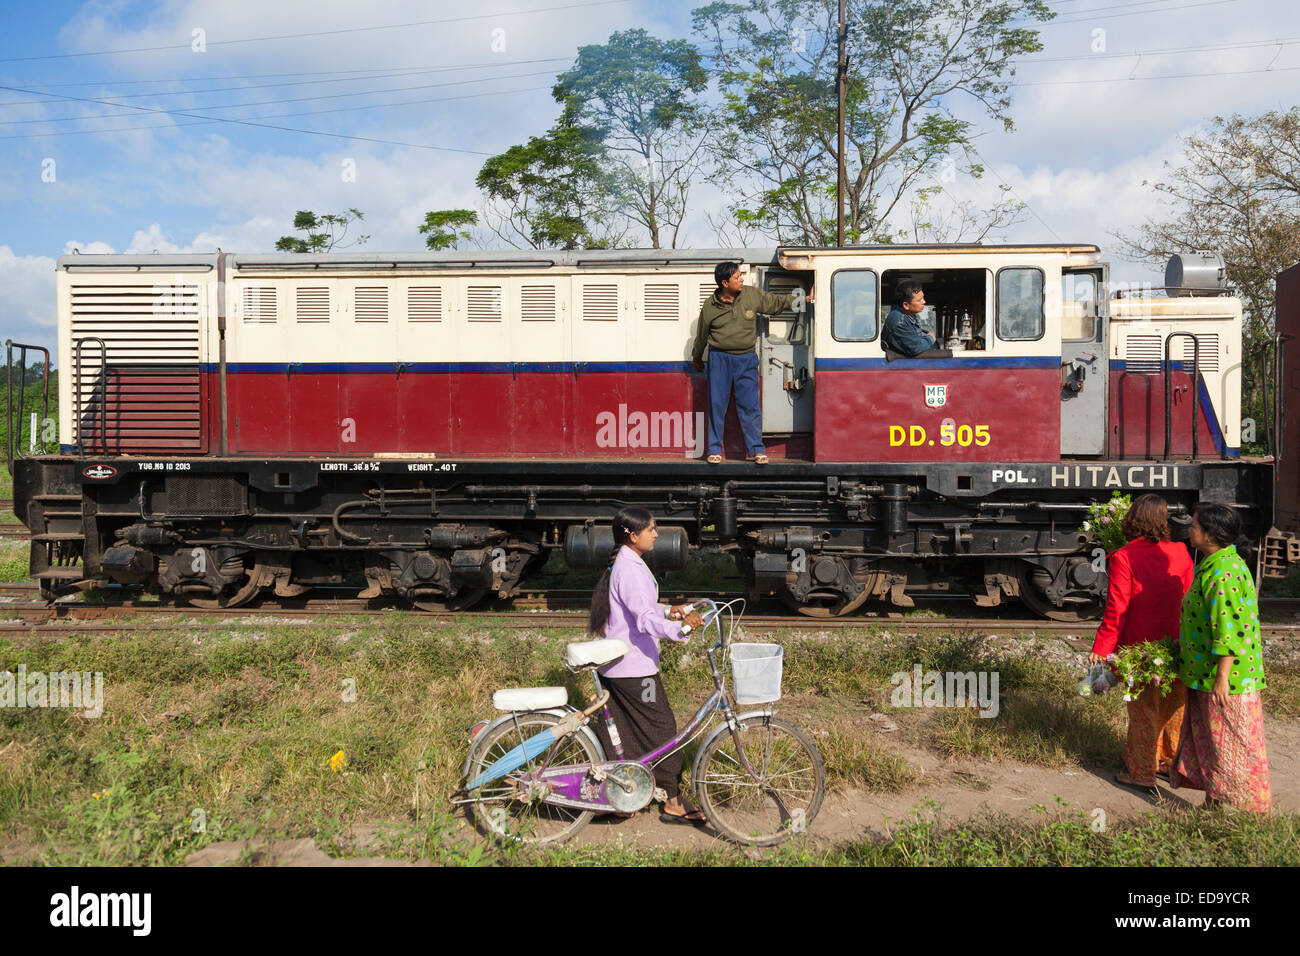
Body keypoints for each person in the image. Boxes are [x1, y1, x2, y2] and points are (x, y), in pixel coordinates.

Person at [587, 507, 707, 824]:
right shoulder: (629, 568)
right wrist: (680, 629)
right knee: (663, 730)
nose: (656, 534)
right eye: (651, 529)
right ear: (633, 535)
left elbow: (642, 606)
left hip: (620, 665)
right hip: (634, 671)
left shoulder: (627, 563)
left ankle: (623, 795)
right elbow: (642, 619)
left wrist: (671, 610)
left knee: (623, 734)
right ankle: (672, 799)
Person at [1169, 503, 1272, 812]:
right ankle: (1215, 803)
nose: (1190, 529)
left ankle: (1249, 810)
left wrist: (1222, 679)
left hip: (1227, 678)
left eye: (1195, 525)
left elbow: (1228, 629)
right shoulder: (1216, 564)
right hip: (1208, 673)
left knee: (1234, 744)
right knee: (1216, 742)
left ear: (1211, 535)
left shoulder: (1223, 572)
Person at [1089, 494, 1194, 792]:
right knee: (1174, 705)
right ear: (1162, 521)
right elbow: (1188, 600)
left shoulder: (1124, 557)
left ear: (1133, 518)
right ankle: (1168, 763)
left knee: (1144, 710)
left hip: (1141, 650)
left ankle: (1142, 773)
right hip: (1177, 645)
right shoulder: (1181, 552)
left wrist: (1102, 648)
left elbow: (1117, 609)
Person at [691, 262, 813, 465]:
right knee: (717, 405)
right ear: (724, 283)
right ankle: (713, 450)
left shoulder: (751, 295)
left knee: (749, 406)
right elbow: (701, 336)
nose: (741, 280)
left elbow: (776, 302)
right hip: (719, 359)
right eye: (737, 277)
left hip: (746, 359)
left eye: (741, 276)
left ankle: (756, 450)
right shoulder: (710, 306)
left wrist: (804, 299)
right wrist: (696, 359)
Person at [882, 279, 939, 357]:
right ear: (906, 305)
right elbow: (916, 348)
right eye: (919, 300)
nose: (924, 302)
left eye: (923, 297)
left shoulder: (911, 314)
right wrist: (930, 338)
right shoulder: (899, 322)